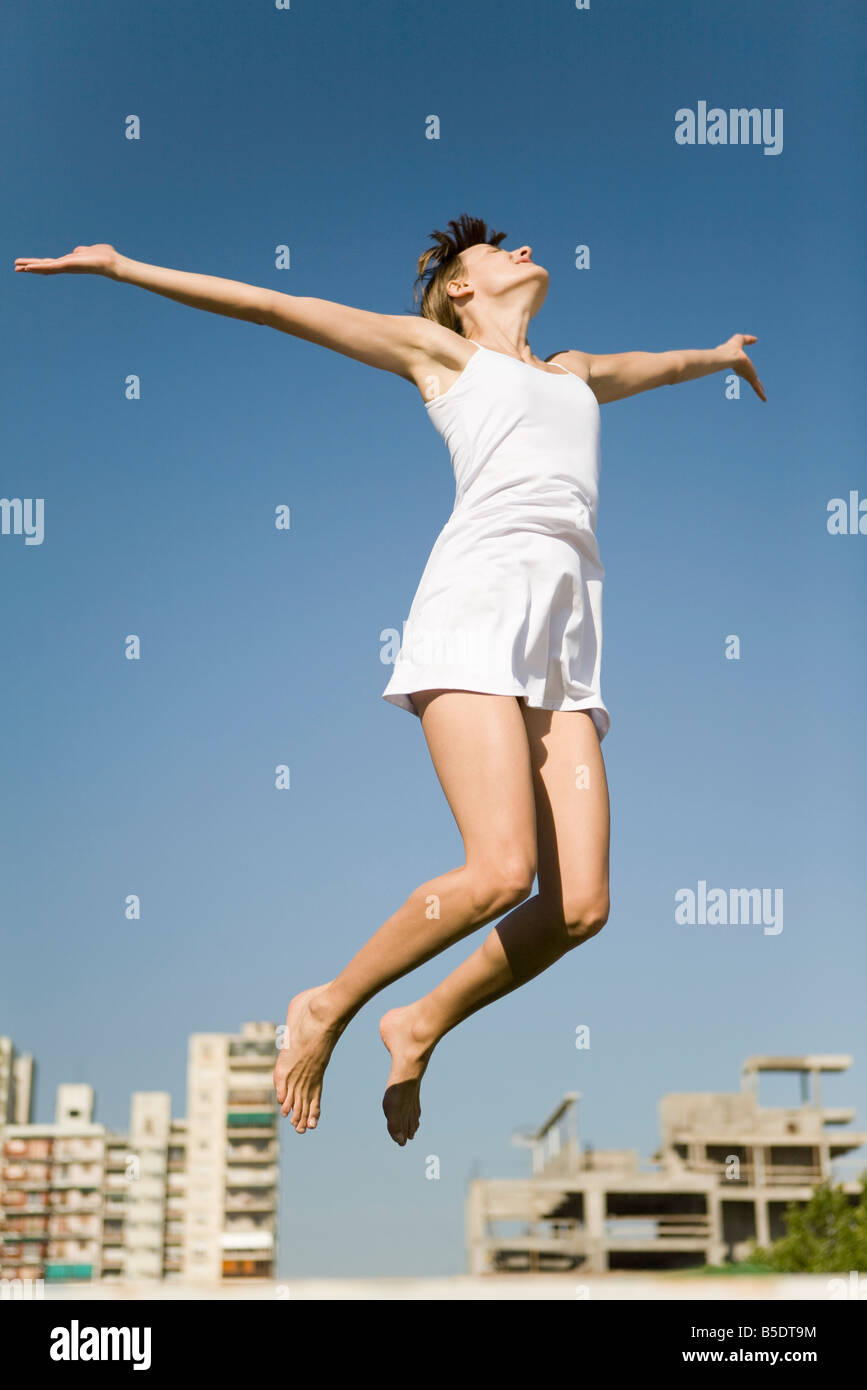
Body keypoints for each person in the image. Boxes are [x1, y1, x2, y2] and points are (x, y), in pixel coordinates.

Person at [14, 216, 765, 1145]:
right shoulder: (440, 357)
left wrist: (721, 356)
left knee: (580, 907)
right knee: (499, 870)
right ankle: (327, 1003)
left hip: (565, 639)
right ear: (460, 288)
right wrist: (122, 267)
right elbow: (276, 305)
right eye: (501, 249)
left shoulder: (570, 373)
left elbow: (659, 365)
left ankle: (416, 1021)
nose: (525, 250)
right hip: (477, 610)